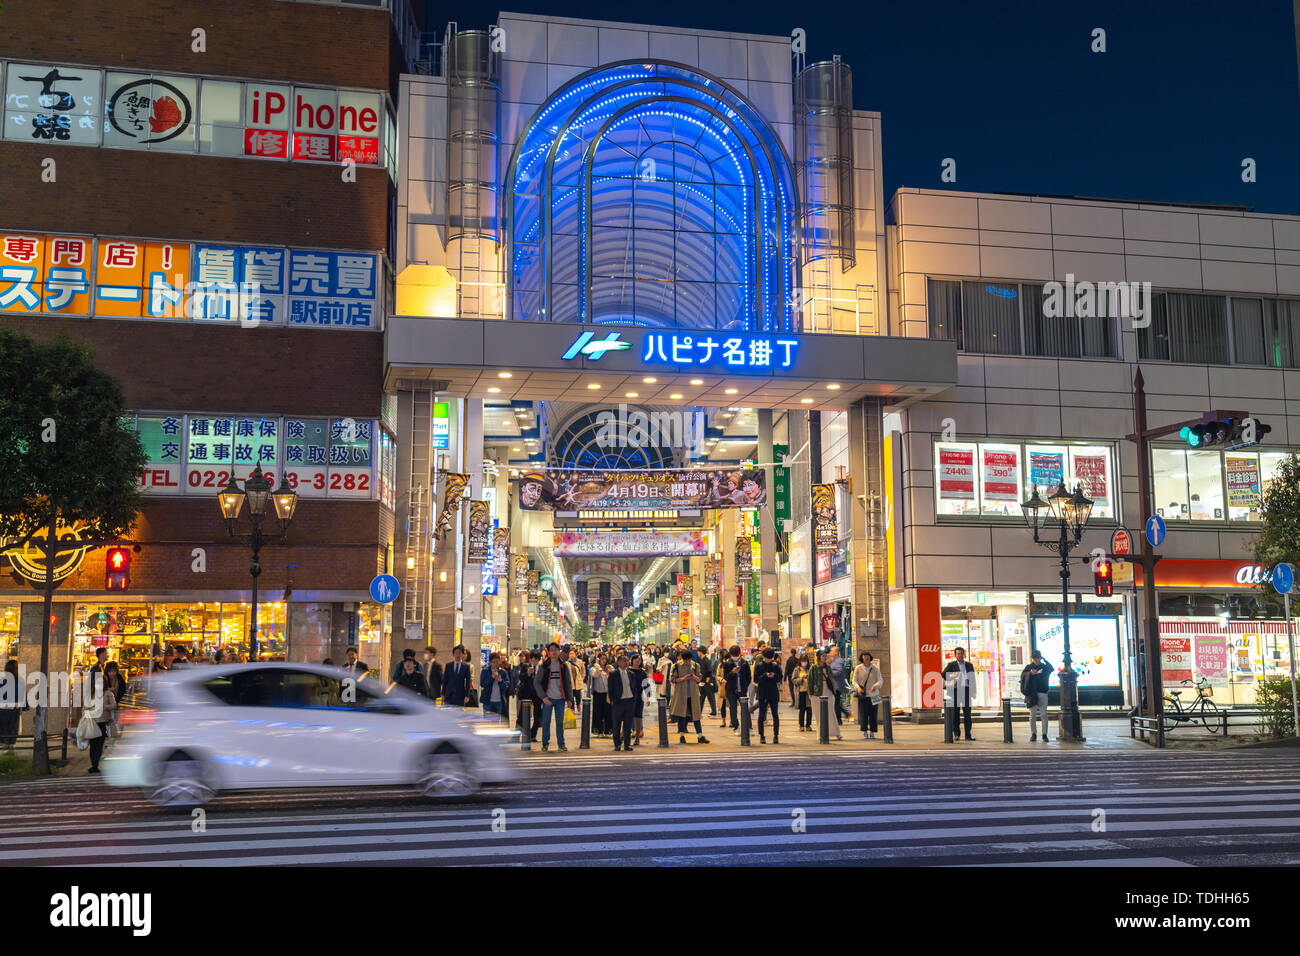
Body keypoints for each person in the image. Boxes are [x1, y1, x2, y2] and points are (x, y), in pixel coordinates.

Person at [532, 642, 574, 752]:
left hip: (560, 699)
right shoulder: (544, 666)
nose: (554, 652)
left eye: (556, 649)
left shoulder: (564, 666)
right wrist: (543, 697)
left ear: (559, 651)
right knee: (546, 722)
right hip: (548, 699)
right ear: (548, 652)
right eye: (551, 650)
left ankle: (561, 744)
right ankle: (545, 744)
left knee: (560, 723)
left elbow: (568, 683)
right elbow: (536, 683)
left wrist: (570, 699)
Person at [668, 650, 710, 745]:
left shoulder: (695, 665)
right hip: (681, 694)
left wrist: (694, 677)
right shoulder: (676, 666)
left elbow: (699, 679)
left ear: (691, 658)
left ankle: (700, 736)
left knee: (696, 715)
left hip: (693, 694)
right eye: (685, 660)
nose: (687, 662)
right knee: (682, 715)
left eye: (688, 660)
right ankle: (682, 736)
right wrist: (683, 678)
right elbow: (672, 679)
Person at [87, 661, 121, 774]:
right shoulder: (92, 693)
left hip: (102, 723)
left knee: (99, 745)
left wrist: (104, 706)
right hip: (92, 722)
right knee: (93, 745)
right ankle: (94, 765)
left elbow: (114, 705)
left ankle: (95, 765)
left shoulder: (108, 693)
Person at [943, 646, 977, 741]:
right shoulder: (951, 665)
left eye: (961, 653)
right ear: (955, 655)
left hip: (966, 690)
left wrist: (974, 691)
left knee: (967, 714)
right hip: (955, 691)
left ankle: (968, 735)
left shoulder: (969, 665)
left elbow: (973, 680)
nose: (960, 655)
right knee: (955, 714)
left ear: (964, 654)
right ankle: (956, 734)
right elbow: (943, 675)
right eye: (958, 654)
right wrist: (954, 675)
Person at [1020, 649, 1054, 741]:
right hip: (1032, 694)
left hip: (1043, 692)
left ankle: (1044, 734)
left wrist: (1045, 660)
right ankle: (1033, 734)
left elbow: (1052, 668)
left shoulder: (1045, 667)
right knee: (1032, 715)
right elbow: (1022, 676)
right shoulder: (1029, 667)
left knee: (1044, 715)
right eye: (1034, 658)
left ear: (1040, 658)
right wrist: (1030, 673)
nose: (1036, 660)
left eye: (1038, 658)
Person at [808, 650, 841, 740]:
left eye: (825, 656)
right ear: (818, 657)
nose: (824, 657)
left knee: (831, 712)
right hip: (817, 692)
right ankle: (820, 734)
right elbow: (810, 681)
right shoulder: (813, 667)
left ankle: (836, 733)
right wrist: (810, 693)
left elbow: (831, 679)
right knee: (819, 714)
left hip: (828, 691)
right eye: (823, 656)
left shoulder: (828, 667)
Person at [607, 655, 638, 751]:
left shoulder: (631, 674)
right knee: (616, 724)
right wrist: (613, 700)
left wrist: (634, 699)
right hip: (618, 702)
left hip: (629, 701)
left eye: (627, 661)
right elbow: (610, 689)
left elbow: (634, 688)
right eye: (624, 661)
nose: (626, 663)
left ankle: (627, 744)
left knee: (628, 725)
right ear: (619, 662)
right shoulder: (613, 674)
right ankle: (617, 744)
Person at [753, 647, 783, 744]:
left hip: (773, 691)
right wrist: (765, 676)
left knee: (775, 714)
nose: (769, 660)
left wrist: (774, 676)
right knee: (762, 714)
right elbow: (756, 679)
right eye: (768, 657)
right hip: (763, 692)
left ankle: (776, 735)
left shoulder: (775, 666)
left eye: (770, 658)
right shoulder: (759, 666)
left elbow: (780, 678)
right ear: (764, 656)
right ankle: (762, 735)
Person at [721, 645, 751, 733]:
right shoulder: (727, 663)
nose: (735, 657)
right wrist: (733, 672)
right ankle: (736, 727)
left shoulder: (744, 663)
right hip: (731, 690)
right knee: (733, 709)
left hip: (742, 689)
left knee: (745, 709)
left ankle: (749, 727)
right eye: (734, 655)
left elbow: (748, 677)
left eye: (736, 655)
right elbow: (726, 677)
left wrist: (745, 686)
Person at [853, 651, 882, 739]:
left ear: (870, 657)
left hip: (874, 695)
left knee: (874, 714)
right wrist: (857, 687)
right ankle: (865, 731)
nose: (866, 657)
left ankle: (873, 731)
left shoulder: (875, 668)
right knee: (863, 714)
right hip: (863, 694)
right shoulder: (858, 668)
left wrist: (875, 686)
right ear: (861, 658)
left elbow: (880, 680)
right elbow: (854, 680)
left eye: (868, 656)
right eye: (864, 656)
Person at [514, 652, 541, 741]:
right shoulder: (525, 666)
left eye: (536, 659)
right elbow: (521, 678)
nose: (534, 661)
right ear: (530, 659)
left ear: (538, 660)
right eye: (532, 659)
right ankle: (516, 736)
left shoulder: (541, 668)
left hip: (538, 695)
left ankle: (532, 735)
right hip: (527, 694)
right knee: (521, 715)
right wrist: (528, 674)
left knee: (537, 716)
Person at [0, 659, 24, 753]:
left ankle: (5, 747)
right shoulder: (20, 680)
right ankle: (11, 747)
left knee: (4, 727)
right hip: (14, 707)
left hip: (2, 708)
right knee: (13, 727)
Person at [480, 652, 511, 717]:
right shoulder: (485, 671)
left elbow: (506, 686)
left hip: (499, 701)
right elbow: (482, 684)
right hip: (488, 701)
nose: (495, 664)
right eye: (493, 662)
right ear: (490, 662)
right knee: (487, 722)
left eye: (497, 662)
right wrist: (491, 678)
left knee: (497, 723)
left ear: (499, 661)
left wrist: (501, 681)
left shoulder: (503, 672)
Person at [628, 653, 649, 746]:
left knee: (638, 717)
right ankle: (624, 734)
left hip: (639, 696)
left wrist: (648, 696)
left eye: (639, 659)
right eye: (636, 659)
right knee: (626, 716)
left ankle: (637, 738)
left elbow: (646, 684)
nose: (637, 660)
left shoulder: (642, 672)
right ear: (632, 660)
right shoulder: (627, 670)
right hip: (628, 696)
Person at [588, 654, 611, 737]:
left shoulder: (609, 668)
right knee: (598, 713)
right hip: (598, 694)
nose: (604, 660)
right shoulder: (594, 669)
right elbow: (595, 675)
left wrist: (609, 672)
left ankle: (608, 731)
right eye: (602, 659)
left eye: (605, 659)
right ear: (598, 659)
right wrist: (598, 666)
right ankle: (599, 731)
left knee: (608, 713)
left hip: (607, 694)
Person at [827, 645, 848, 722]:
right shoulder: (834, 660)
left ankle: (838, 720)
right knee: (836, 702)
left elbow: (839, 672)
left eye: (831, 651)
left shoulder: (839, 661)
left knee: (836, 703)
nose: (830, 653)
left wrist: (829, 673)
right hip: (834, 685)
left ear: (836, 652)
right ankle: (842, 715)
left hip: (837, 685)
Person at [793, 653, 812, 732]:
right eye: (803, 661)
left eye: (805, 661)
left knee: (809, 709)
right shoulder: (797, 669)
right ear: (800, 661)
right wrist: (801, 679)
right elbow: (793, 680)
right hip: (801, 692)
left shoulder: (810, 669)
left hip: (809, 692)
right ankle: (801, 725)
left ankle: (808, 725)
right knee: (802, 709)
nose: (804, 662)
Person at [697, 651, 717, 716]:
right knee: (701, 697)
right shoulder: (701, 660)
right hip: (702, 680)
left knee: (710, 697)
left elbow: (709, 670)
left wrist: (708, 678)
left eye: (698, 651)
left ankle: (714, 711)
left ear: (701, 652)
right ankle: (699, 711)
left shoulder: (706, 660)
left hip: (707, 681)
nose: (697, 653)